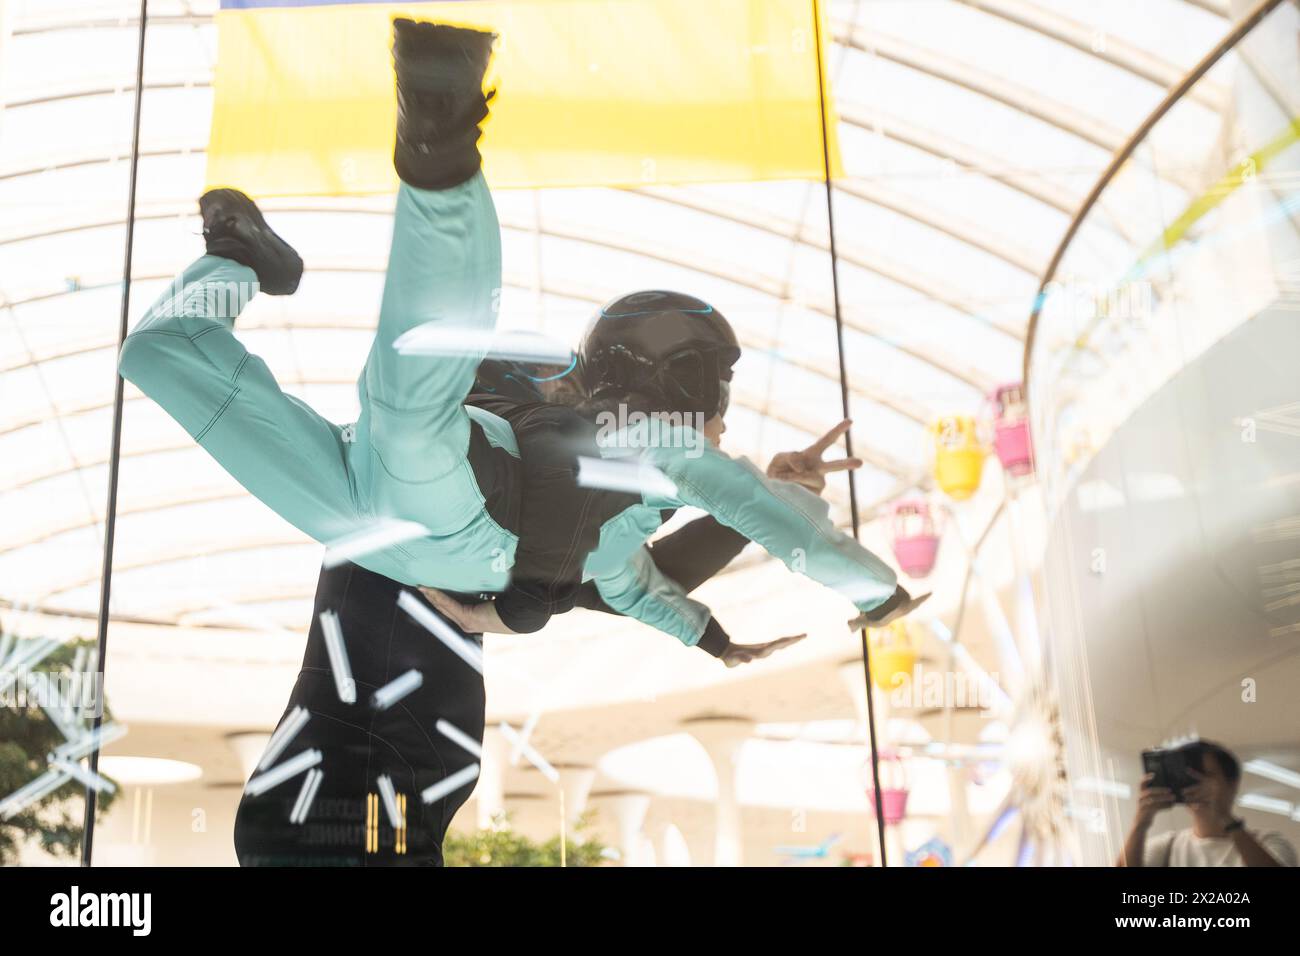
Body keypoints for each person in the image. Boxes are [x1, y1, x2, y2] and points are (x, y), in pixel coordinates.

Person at [119, 18, 927, 864]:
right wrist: (871, 592)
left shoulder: (612, 513)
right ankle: (437, 151)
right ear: (686, 388)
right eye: (719, 408)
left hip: (370, 536)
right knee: (411, 387)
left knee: (169, 354)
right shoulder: (644, 444)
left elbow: (644, 580)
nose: (723, 430)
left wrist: (720, 626)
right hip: (426, 545)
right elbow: (741, 525)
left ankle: (250, 258)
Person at [1117, 740, 1296, 867]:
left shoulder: (1270, 843)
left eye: (1206, 776)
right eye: (1188, 777)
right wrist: (1140, 824)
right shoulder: (1167, 847)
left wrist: (1225, 817)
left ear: (1232, 784)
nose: (1195, 785)